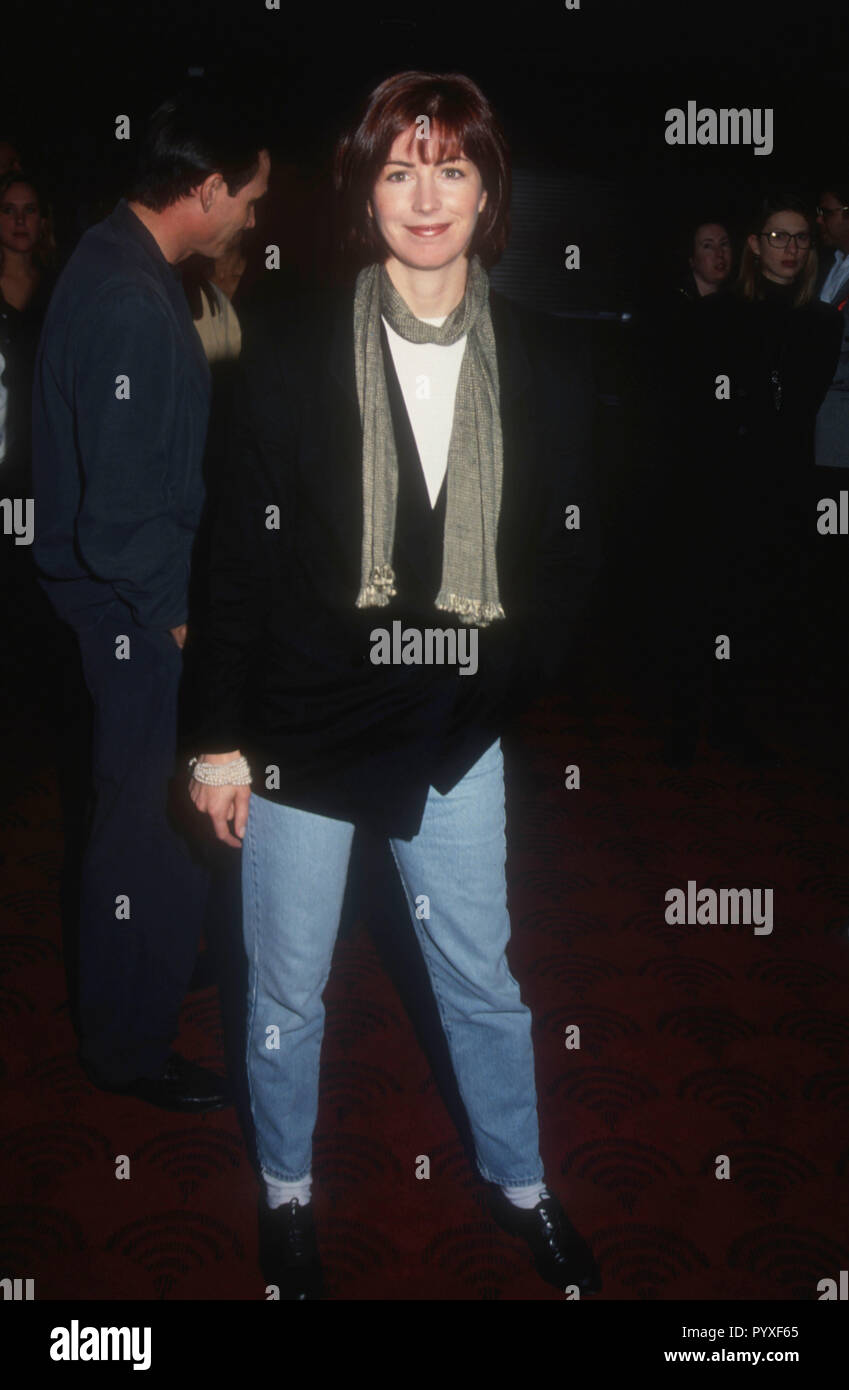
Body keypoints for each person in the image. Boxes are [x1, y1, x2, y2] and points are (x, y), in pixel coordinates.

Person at [187, 69, 602, 1299]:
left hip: (452, 729)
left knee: (482, 975)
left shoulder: (552, 363)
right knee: (288, 985)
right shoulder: (286, 345)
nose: (427, 197)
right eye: (399, 169)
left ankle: (523, 1187)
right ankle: (288, 1197)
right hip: (301, 727)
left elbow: (570, 561)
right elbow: (236, 559)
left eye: (454, 169)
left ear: (490, 192)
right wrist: (215, 739)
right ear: (366, 192)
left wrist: (494, 689)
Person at [31, 90, 270, 1112]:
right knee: (148, 827)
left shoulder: (116, 259)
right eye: (251, 198)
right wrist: (177, 619)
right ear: (206, 191)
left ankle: (151, 968)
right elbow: (121, 517)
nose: (254, 218)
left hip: (127, 603)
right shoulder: (133, 296)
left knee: (143, 817)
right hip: (135, 613)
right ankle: (128, 1043)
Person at [665, 193, 842, 764]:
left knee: (752, 609)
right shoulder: (719, 314)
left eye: (799, 238)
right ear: (755, 244)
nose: (789, 248)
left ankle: (730, 720)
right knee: (699, 605)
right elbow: (700, 407)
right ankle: (684, 721)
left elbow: (793, 409)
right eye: (777, 236)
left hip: (777, 486)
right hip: (715, 484)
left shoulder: (818, 323)